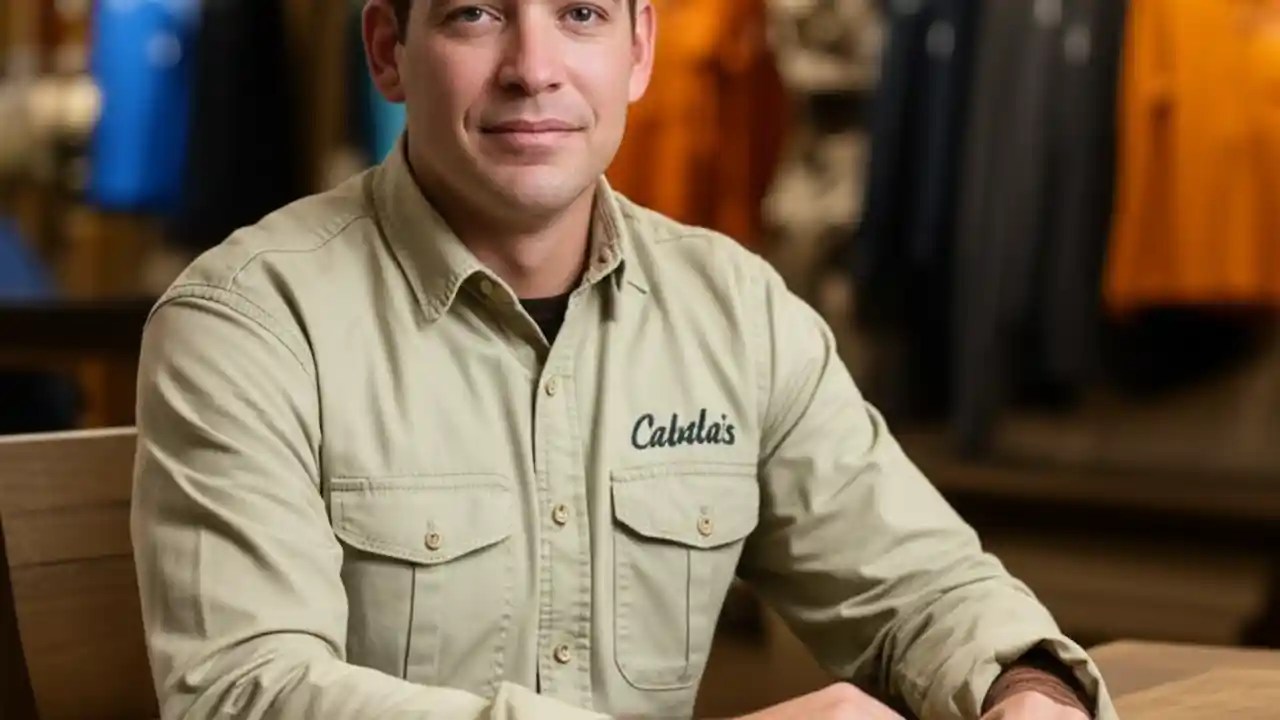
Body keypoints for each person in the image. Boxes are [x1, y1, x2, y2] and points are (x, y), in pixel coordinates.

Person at [130, 1, 1117, 718]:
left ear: (639, 50)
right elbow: (240, 693)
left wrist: (1023, 692)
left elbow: (926, 590)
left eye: (581, 15)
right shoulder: (246, 321)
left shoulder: (735, 312)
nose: (533, 65)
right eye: (475, 15)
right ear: (388, 51)